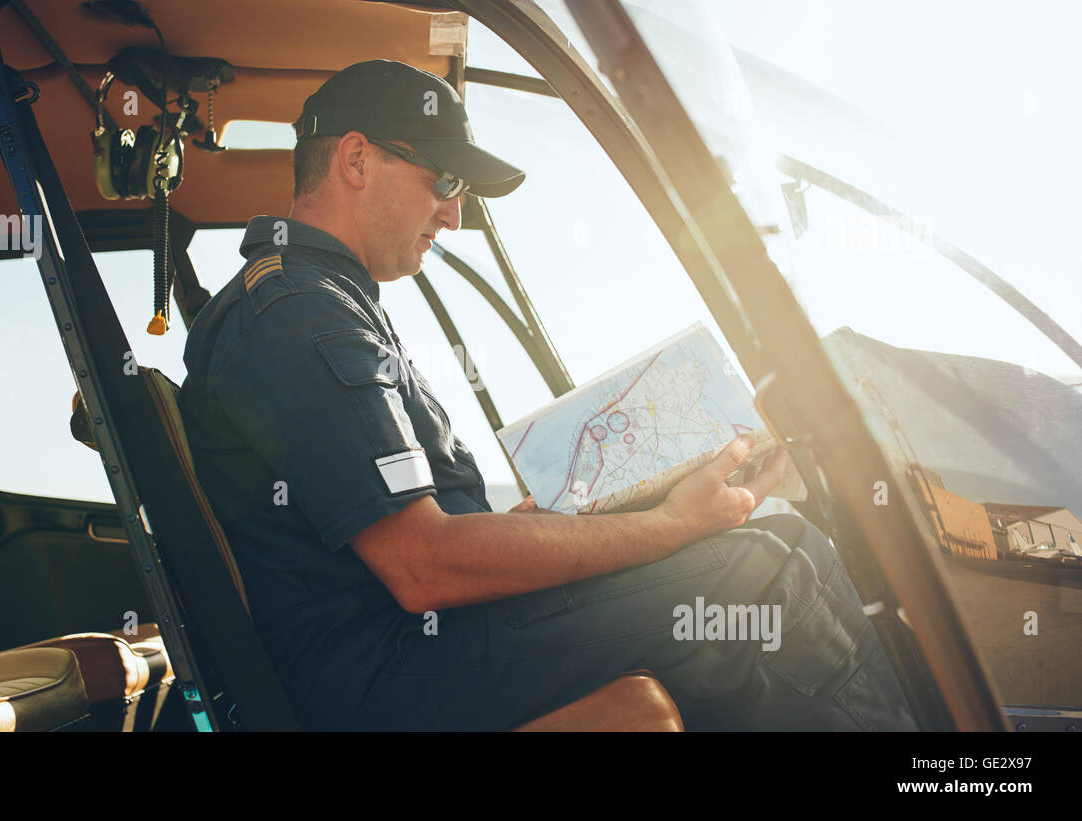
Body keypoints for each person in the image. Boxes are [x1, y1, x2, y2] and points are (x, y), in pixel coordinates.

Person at [178, 59, 916, 731]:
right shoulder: (300, 314)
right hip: (379, 676)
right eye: (444, 180)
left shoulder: (313, 300)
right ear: (357, 159)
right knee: (773, 570)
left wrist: (567, 519)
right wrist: (670, 524)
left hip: (394, 655)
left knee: (756, 553)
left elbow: (417, 535)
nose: (453, 214)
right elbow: (424, 565)